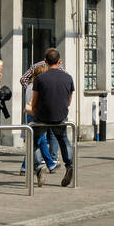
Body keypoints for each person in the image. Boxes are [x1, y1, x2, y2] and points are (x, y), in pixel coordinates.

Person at [29, 48, 75, 187]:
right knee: (63, 139)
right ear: (59, 61)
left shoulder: (40, 78)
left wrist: (35, 113)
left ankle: (39, 166)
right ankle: (69, 165)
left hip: (42, 116)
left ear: (45, 62)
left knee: (33, 139)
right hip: (60, 115)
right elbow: (69, 100)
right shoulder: (68, 77)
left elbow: (35, 100)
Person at [18, 53, 58, 176]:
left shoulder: (30, 86)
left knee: (37, 141)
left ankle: (26, 167)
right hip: (37, 115)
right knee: (39, 141)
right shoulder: (36, 87)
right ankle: (48, 164)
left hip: (32, 115)